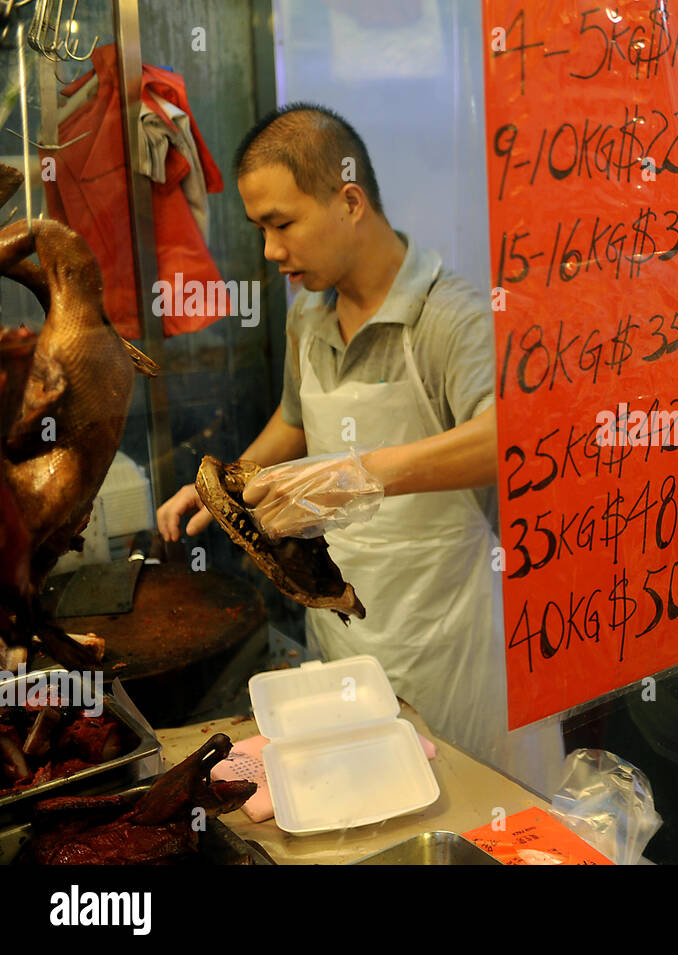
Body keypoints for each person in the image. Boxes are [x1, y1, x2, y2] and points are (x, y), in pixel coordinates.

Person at [157, 105, 559, 787]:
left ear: (349, 201)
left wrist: (360, 473)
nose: (270, 252)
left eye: (282, 224)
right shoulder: (308, 314)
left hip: (443, 638)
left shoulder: (448, 314)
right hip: (342, 631)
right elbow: (296, 417)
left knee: (467, 808)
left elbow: (510, 441)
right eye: (261, 229)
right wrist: (226, 480)